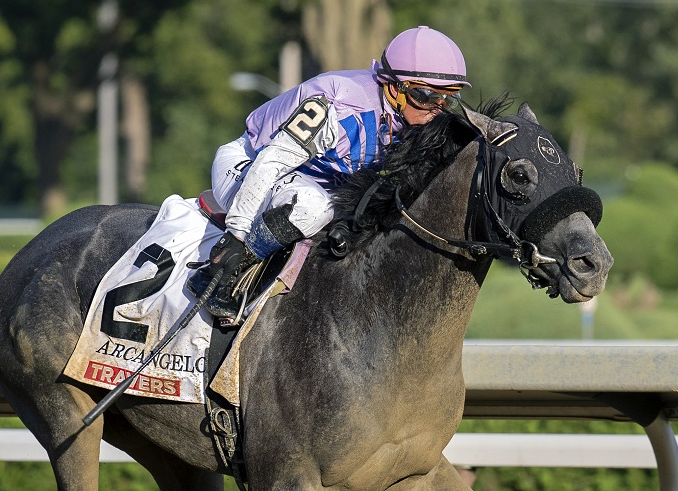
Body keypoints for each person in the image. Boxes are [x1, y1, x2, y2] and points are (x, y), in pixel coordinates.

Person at [188, 25, 471, 322]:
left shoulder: (408, 120)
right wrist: (237, 235)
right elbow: (270, 163)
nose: (437, 109)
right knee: (314, 207)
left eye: (447, 99)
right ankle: (217, 276)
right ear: (393, 88)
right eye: (425, 95)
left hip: (310, 183)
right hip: (250, 164)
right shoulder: (339, 106)